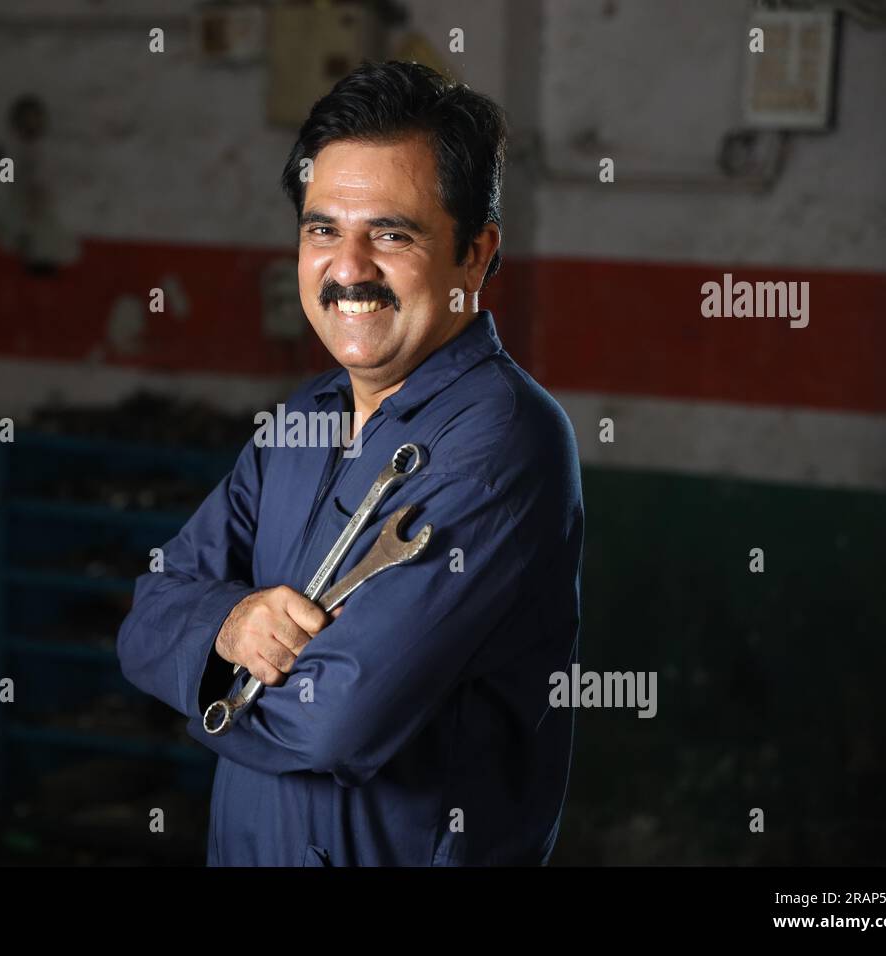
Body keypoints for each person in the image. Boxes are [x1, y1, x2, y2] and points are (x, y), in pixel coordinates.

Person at [117, 60, 584, 866]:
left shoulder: (504, 442)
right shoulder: (302, 419)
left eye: (392, 235)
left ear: (476, 255)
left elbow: (337, 720)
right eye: (322, 229)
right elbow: (143, 622)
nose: (349, 268)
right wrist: (228, 622)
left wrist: (207, 688)